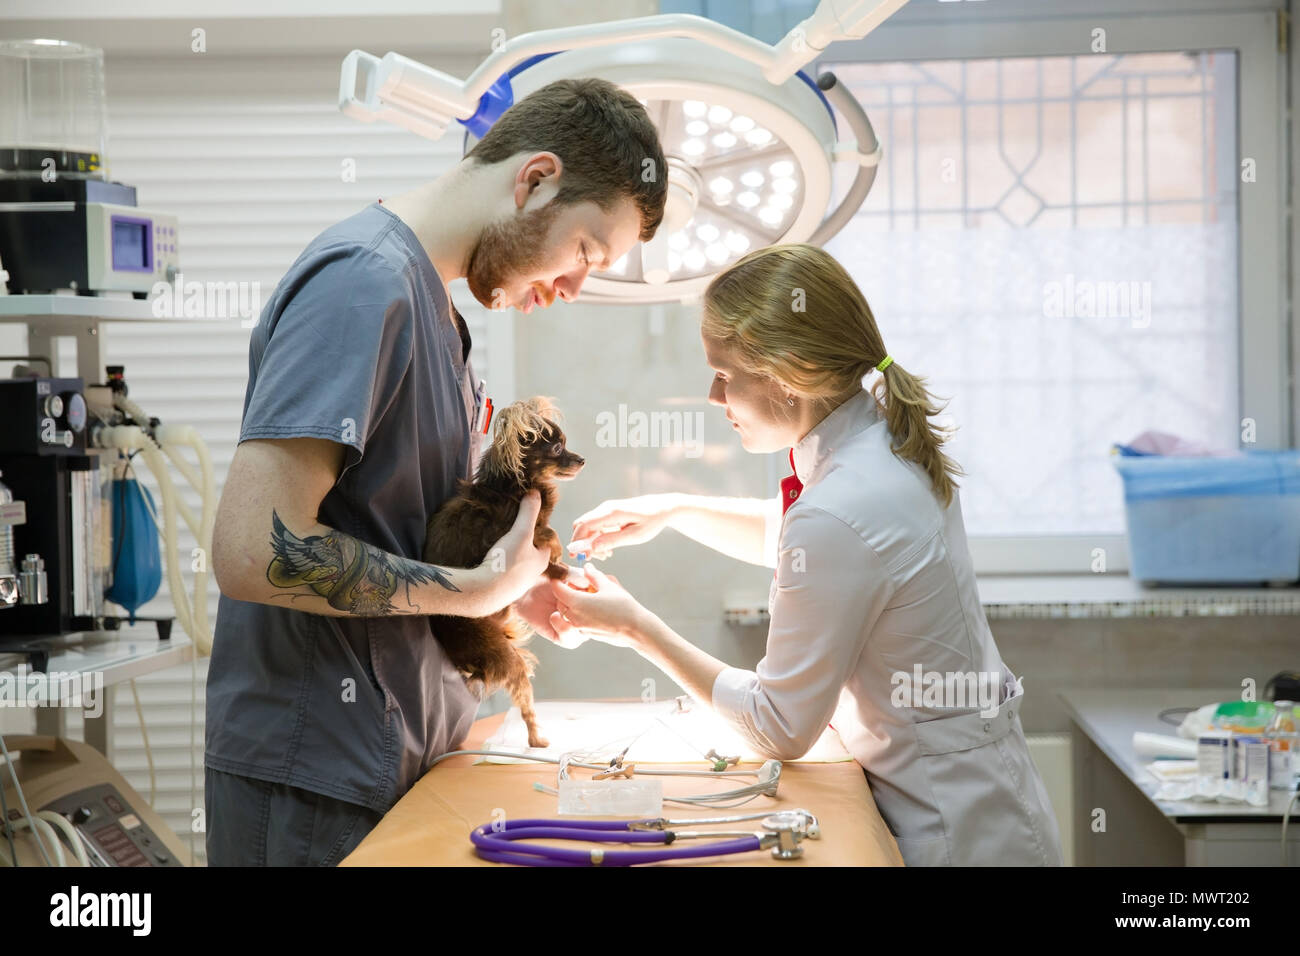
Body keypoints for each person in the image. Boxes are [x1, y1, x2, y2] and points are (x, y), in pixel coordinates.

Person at [206, 77, 667, 866]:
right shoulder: (363, 283)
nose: (574, 286)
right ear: (535, 179)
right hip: (319, 776)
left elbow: (391, 529)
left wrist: (514, 579)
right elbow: (253, 548)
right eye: (586, 249)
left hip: (399, 754)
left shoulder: (440, 315)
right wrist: (478, 589)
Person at [547, 243, 1064, 867]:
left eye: (724, 374)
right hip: (982, 800)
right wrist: (675, 510)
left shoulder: (844, 503)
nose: (714, 397)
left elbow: (779, 724)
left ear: (790, 372)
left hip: (955, 833)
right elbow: (808, 548)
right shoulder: (878, 440)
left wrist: (634, 627)